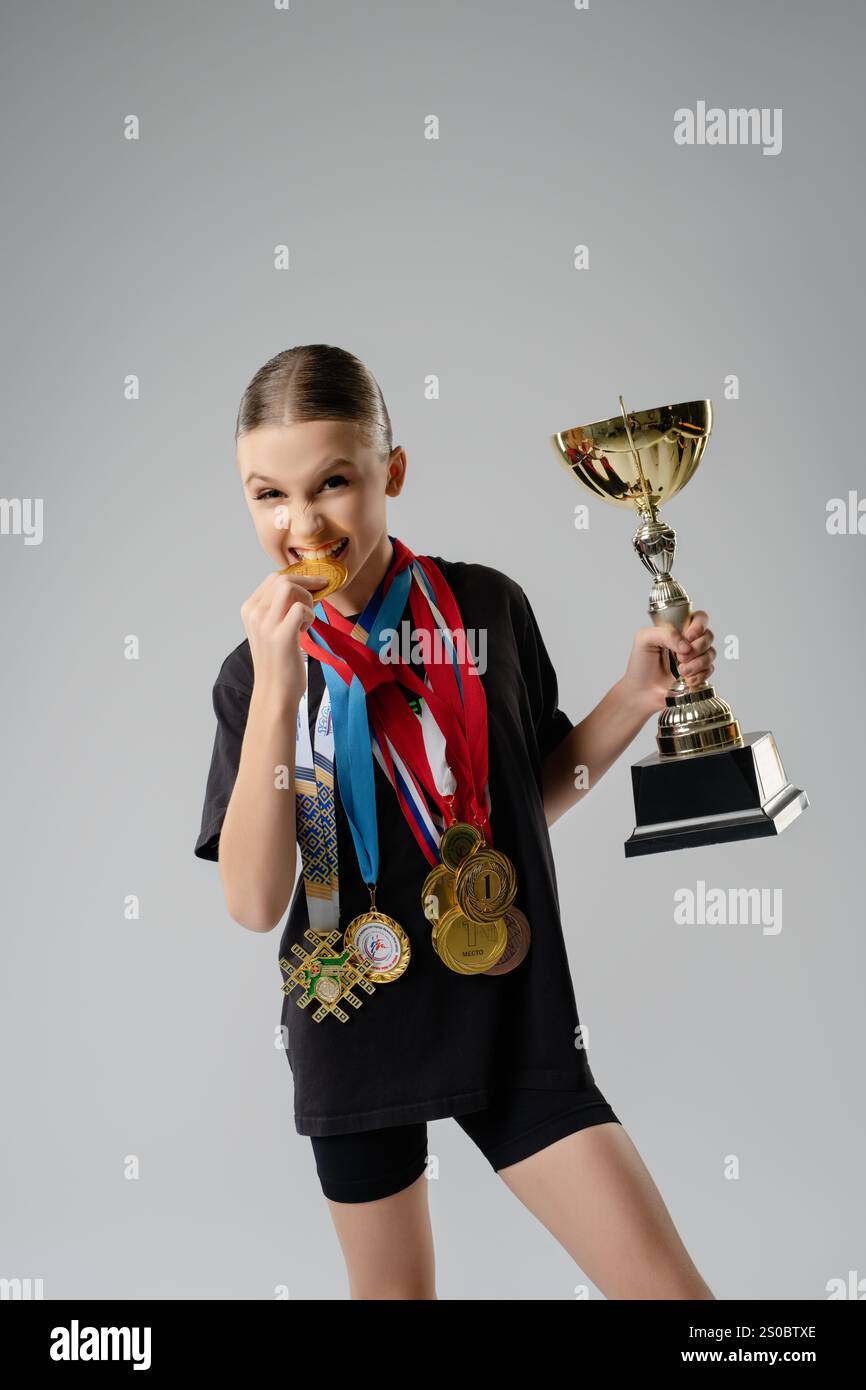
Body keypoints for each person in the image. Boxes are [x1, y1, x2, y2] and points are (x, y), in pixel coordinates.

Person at [193, 344, 718, 1300]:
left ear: (392, 472)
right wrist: (278, 684)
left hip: (511, 1005)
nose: (301, 523)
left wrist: (634, 699)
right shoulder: (252, 674)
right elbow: (254, 899)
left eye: (334, 482)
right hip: (352, 1011)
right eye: (268, 495)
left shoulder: (483, 608)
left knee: (673, 1299)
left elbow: (529, 796)